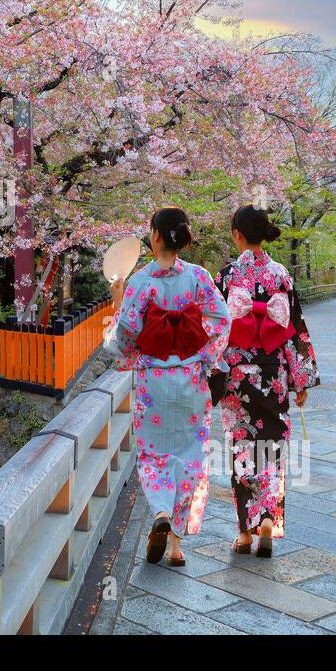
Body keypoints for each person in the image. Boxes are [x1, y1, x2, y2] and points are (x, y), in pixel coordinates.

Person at [105, 208, 230, 567]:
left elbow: (126, 336)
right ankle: (176, 545)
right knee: (190, 456)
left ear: (155, 237)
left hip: (152, 383)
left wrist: (117, 309)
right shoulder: (199, 277)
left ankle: (160, 511)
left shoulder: (141, 282)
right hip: (191, 380)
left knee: (154, 456)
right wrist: (205, 357)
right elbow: (222, 319)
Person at [209, 205, 319, 558]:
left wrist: (210, 372)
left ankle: (244, 532)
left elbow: (213, 329)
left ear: (237, 235)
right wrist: (300, 380)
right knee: (273, 449)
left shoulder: (226, 276)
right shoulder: (282, 275)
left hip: (238, 373)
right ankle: (268, 518)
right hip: (274, 372)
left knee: (242, 448)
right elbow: (294, 329)